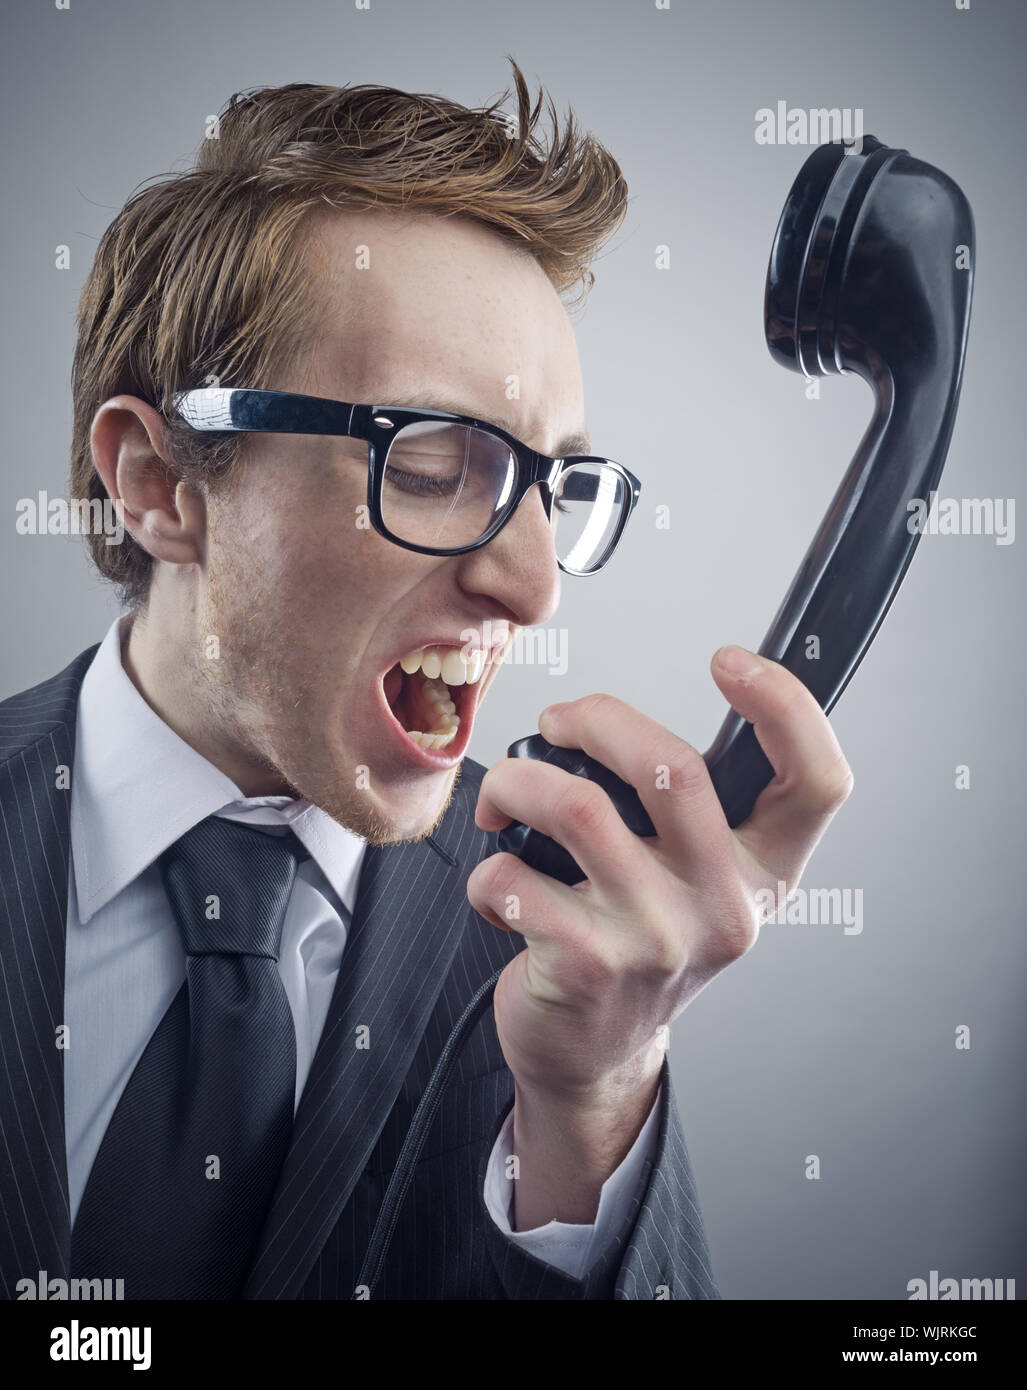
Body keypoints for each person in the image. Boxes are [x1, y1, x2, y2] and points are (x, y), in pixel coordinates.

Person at [0, 62, 853, 1301]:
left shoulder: (558, 954)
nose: (533, 585)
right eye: (437, 459)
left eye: (554, 484)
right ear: (158, 484)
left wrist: (595, 1096)